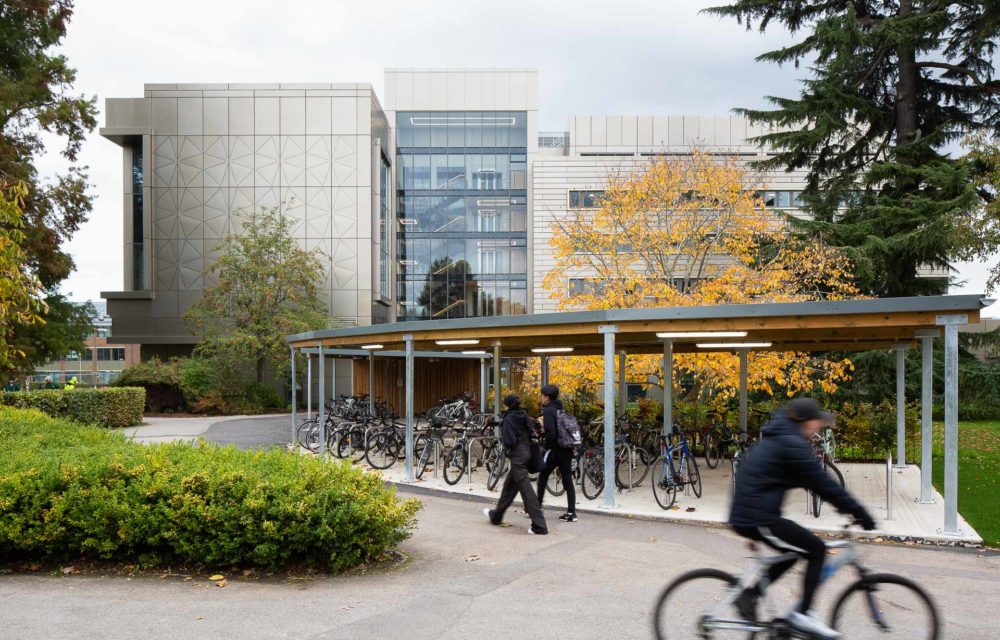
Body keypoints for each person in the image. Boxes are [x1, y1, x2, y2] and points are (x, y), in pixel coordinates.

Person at [729, 397, 876, 640]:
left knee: (794, 551)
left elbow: (811, 482)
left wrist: (840, 505)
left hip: (753, 515)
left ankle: (751, 596)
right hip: (759, 517)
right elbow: (823, 483)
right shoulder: (791, 444)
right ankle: (803, 616)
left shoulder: (778, 438)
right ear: (805, 422)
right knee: (816, 549)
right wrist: (861, 512)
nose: (818, 428)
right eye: (815, 422)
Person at [483, 394, 548, 535]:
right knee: (509, 487)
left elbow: (510, 440)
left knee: (527, 491)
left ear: (506, 404)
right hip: (528, 452)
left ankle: (539, 526)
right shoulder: (523, 414)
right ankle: (496, 516)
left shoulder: (509, 418)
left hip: (518, 456)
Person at [535, 383, 577, 522]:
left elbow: (551, 433)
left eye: (542, 395)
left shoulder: (548, 411)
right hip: (566, 449)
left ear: (547, 397)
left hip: (555, 450)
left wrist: (547, 448)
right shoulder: (561, 409)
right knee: (567, 479)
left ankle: (536, 508)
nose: (541, 398)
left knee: (543, 476)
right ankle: (571, 513)